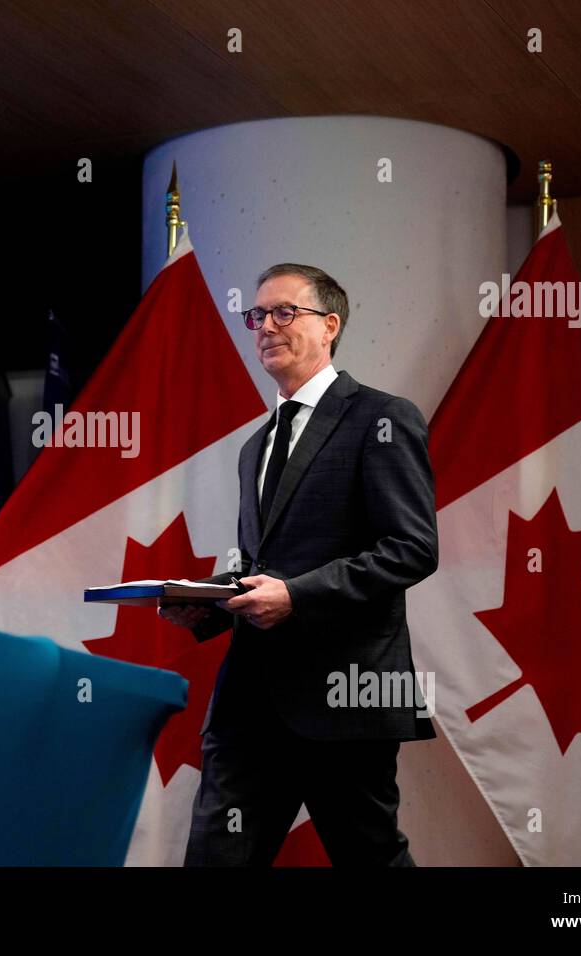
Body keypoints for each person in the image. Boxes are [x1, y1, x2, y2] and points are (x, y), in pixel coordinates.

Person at [160, 263, 438, 866]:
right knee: (216, 858)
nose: (265, 326)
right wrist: (202, 604)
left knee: (370, 858)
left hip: (346, 693)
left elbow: (412, 548)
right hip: (250, 701)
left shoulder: (380, 418)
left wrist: (297, 597)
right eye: (256, 316)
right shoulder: (254, 447)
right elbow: (264, 566)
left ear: (330, 325)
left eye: (285, 312)